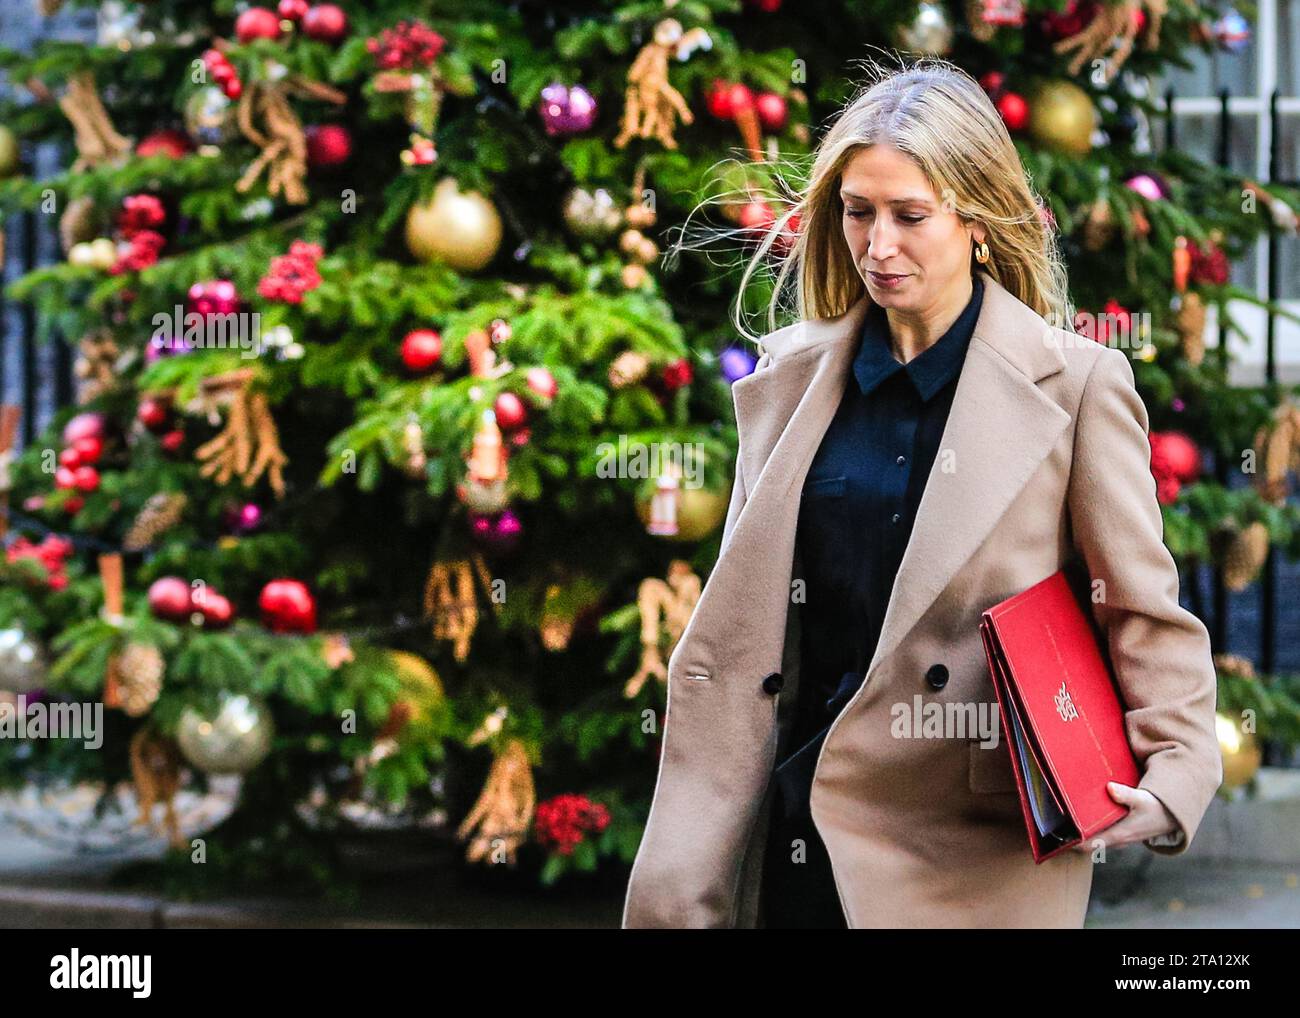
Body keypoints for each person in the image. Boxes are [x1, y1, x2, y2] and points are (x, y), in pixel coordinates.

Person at [622, 58, 1222, 929]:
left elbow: (1139, 608)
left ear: (977, 221)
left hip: (969, 848)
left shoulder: (1076, 387)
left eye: (910, 216)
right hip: (800, 825)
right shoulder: (791, 378)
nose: (878, 244)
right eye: (858, 213)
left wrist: (1173, 773)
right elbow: (751, 620)